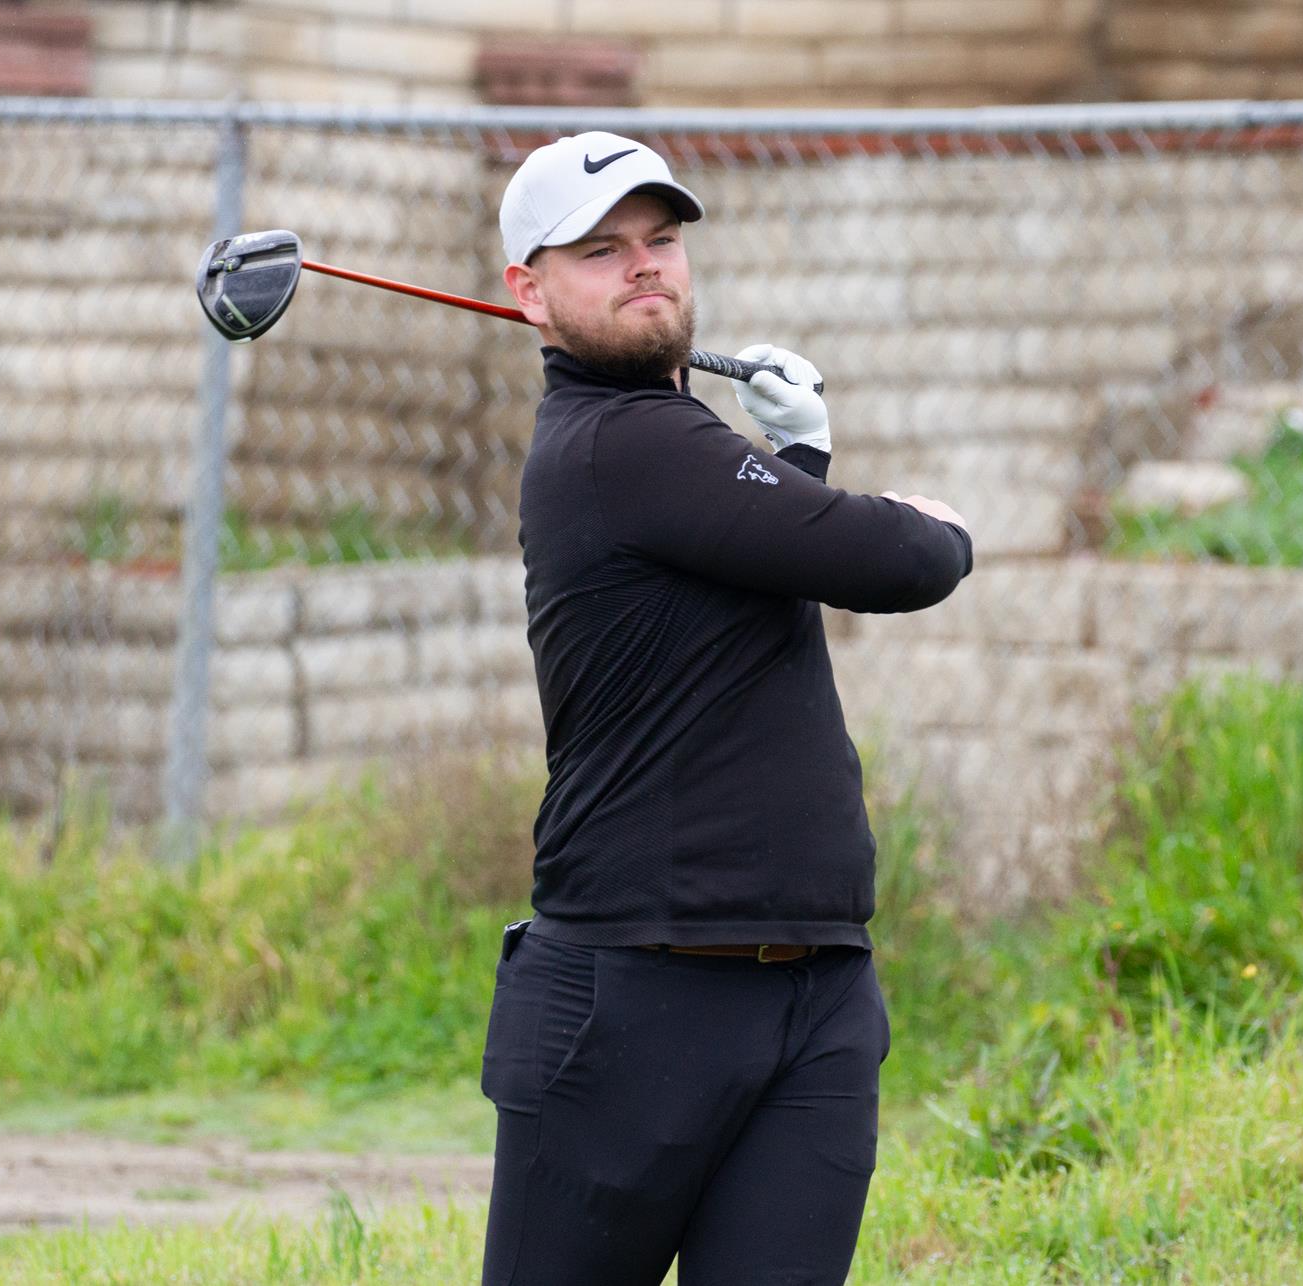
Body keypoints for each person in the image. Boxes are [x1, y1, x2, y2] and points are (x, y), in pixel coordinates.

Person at [479, 130, 973, 1286]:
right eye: (598, 250)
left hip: (813, 992)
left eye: (659, 240)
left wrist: (793, 464)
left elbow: (745, 567)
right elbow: (892, 561)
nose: (643, 265)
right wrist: (932, 522)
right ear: (528, 291)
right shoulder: (616, 444)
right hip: (635, 995)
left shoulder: (675, 457)